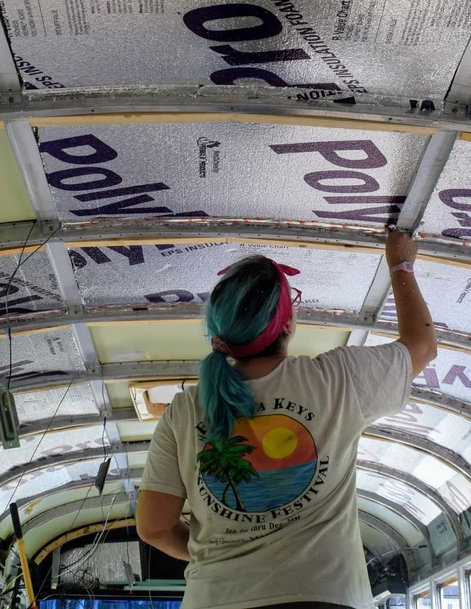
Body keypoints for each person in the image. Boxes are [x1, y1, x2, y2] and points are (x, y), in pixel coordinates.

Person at [136, 229, 437, 609]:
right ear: (288, 323)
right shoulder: (336, 379)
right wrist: (400, 262)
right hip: (325, 597)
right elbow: (422, 346)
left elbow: (154, 528)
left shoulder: (183, 409)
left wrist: (216, 557)